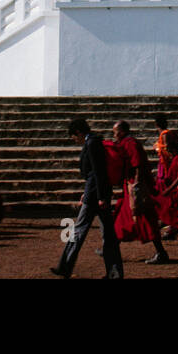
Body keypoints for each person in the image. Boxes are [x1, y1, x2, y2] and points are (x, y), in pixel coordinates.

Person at [52, 118, 123, 279]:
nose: (74, 140)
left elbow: (98, 173)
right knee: (109, 236)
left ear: (78, 133)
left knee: (78, 231)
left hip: (95, 197)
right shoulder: (94, 142)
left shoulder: (91, 144)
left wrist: (99, 197)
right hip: (96, 194)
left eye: (74, 137)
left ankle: (65, 266)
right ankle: (114, 272)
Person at [111, 121, 169, 264]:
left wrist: (136, 185)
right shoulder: (125, 143)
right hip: (129, 186)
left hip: (136, 188)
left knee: (146, 219)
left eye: (115, 132)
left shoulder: (131, 144)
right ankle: (111, 249)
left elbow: (137, 165)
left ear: (122, 132)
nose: (114, 135)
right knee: (121, 219)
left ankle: (161, 252)